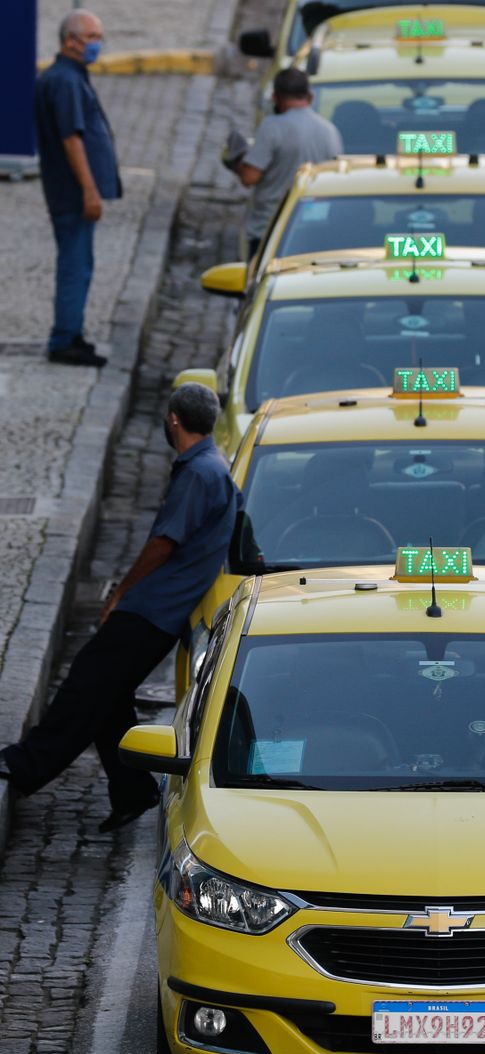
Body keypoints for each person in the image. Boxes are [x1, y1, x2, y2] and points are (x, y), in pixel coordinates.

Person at [0, 384, 242, 832]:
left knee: (86, 684)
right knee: (108, 699)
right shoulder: (215, 467)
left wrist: (120, 593)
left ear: (173, 420)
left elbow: (163, 544)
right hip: (165, 612)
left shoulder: (198, 475)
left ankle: (24, 764)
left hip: (152, 608)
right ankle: (133, 791)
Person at [35, 8, 121, 368]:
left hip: (67, 191)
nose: (97, 45)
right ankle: (65, 339)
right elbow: (72, 138)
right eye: (91, 38)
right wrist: (89, 189)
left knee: (79, 263)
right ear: (70, 40)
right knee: (75, 266)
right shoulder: (65, 82)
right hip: (71, 193)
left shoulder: (66, 77)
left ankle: (73, 332)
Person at [224, 67, 342, 259]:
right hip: (317, 228)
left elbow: (249, 177)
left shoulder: (272, 127)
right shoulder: (330, 131)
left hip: (272, 230)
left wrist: (236, 161)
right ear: (310, 97)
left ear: (275, 98)